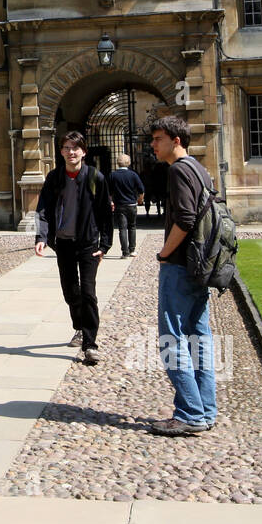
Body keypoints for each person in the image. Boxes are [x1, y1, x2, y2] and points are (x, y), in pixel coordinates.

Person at [149, 115, 217, 436]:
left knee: (172, 339)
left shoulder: (177, 171)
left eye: (158, 138)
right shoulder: (200, 169)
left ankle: (190, 413)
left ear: (176, 141)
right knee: (198, 338)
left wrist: (164, 253)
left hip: (179, 264)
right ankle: (205, 409)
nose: (153, 144)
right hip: (200, 265)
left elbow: (186, 219)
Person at [33, 130, 114, 366]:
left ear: (84, 152)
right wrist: (42, 237)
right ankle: (79, 327)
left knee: (88, 292)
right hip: (64, 244)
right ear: (61, 152)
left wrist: (105, 245)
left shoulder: (95, 178)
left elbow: (105, 215)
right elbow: (43, 209)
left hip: (88, 243)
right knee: (70, 291)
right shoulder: (54, 178)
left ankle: (90, 344)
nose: (71, 152)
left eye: (75, 148)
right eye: (67, 148)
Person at [108, 154, 145, 259]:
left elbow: (109, 191)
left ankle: (125, 252)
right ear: (129, 163)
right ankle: (132, 249)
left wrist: (111, 201)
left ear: (117, 163)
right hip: (132, 204)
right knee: (132, 226)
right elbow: (141, 190)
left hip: (120, 205)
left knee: (122, 229)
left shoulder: (113, 175)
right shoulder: (133, 175)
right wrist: (140, 200)